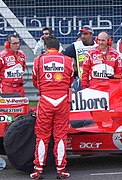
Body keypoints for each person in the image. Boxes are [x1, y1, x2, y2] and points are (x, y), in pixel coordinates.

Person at [30, 36, 74, 179]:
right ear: (59, 46)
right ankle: (61, 169)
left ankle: (38, 169)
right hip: (62, 101)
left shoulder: (38, 61)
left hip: (45, 100)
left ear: (46, 47)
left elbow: (35, 82)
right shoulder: (68, 60)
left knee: (42, 135)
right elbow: (71, 79)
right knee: (61, 135)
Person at [62, 25, 97, 92]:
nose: (83, 36)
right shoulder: (76, 45)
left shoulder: (97, 46)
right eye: (82, 34)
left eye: (86, 34)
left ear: (91, 34)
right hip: (80, 80)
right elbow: (62, 55)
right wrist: (72, 64)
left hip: (95, 79)